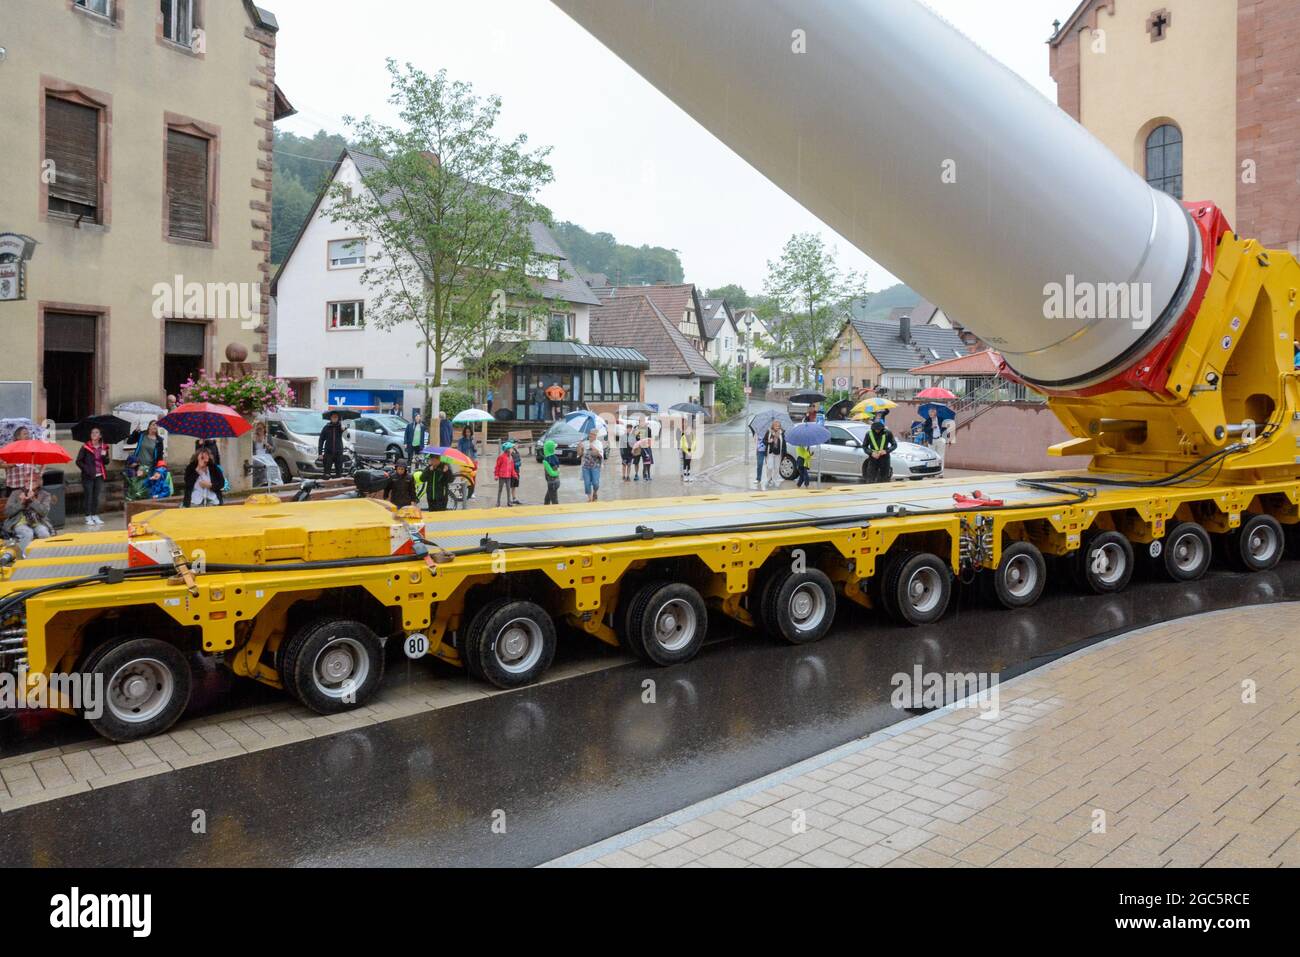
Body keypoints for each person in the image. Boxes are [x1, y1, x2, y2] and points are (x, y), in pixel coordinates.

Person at [4, 474, 54, 555]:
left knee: (43, 533)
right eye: (26, 481)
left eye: (32, 481)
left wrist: (33, 500)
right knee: (27, 533)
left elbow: (44, 512)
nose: (28, 483)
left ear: (39, 483)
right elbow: (7, 512)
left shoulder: (45, 495)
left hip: (38, 521)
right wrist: (21, 503)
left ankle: (44, 554)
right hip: (19, 522)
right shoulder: (16, 493)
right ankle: (24, 556)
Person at [75, 426, 110, 526]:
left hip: (99, 475)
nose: (94, 434)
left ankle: (94, 515)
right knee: (88, 496)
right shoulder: (86, 447)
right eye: (92, 433)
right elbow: (78, 461)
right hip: (88, 476)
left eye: (96, 433)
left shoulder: (104, 447)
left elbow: (107, 462)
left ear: (100, 436)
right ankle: (87, 516)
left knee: (96, 496)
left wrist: (104, 456)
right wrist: (87, 470)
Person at [864, 419, 898, 483]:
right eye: (876, 429)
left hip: (885, 458)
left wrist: (886, 451)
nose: (877, 431)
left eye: (879, 429)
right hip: (873, 458)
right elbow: (864, 446)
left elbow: (894, 445)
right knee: (870, 478)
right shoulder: (868, 434)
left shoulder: (888, 433)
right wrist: (871, 453)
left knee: (884, 478)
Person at [319, 412, 346, 479]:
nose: (334, 418)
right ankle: (326, 486)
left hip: (338, 453)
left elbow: (348, 436)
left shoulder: (341, 427)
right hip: (328, 453)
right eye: (333, 417)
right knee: (326, 473)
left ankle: (338, 486)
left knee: (339, 473)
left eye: (336, 417)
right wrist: (320, 453)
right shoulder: (326, 427)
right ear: (330, 418)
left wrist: (344, 429)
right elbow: (321, 440)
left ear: (338, 418)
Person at [579, 429, 603, 502]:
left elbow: (600, 455)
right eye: (590, 434)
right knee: (587, 483)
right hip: (585, 467)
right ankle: (590, 499)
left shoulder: (599, 443)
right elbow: (579, 454)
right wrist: (579, 447)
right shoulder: (585, 443)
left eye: (593, 434)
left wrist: (593, 447)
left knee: (595, 483)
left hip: (595, 466)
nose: (591, 435)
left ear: (596, 436)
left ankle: (595, 492)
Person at [494, 442, 519, 507]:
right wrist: (496, 475)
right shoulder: (501, 457)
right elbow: (497, 466)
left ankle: (509, 502)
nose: (512, 450)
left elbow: (512, 468)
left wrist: (515, 475)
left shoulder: (511, 458)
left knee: (508, 489)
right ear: (507, 449)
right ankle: (498, 502)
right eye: (511, 448)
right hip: (502, 476)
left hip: (508, 477)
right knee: (500, 489)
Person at [763, 421, 786, 489]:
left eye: (778, 426)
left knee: (776, 468)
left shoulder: (781, 433)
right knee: (769, 467)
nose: (777, 427)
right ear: (773, 426)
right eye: (776, 426)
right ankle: (769, 479)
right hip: (770, 453)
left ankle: (775, 480)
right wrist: (768, 441)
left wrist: (784, 455)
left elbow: (784, 444)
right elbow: (764, 441)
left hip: (778, 453)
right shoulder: (769, 432)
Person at [542, 439, 561, 504]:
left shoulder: (546, 460)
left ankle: (557, 513)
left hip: (552, 483)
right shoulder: (555, 457)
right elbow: (558, 469)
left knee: (554, 501)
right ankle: (546, 511)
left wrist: (556, 473)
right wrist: (558, 472)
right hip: (557, 481)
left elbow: (551, 473)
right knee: (546, 499)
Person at [509, 440, 523, 505]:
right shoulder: (510, 453)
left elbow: (519, 460)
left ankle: (514, 498)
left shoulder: (517, 451)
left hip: (517, 471)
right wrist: (516, 464)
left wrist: (519, 463)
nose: (517, 445)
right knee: (510, 486)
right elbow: (510, 463)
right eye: (516, 443)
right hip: (511, 472)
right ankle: (509, 499)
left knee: (514, 486)